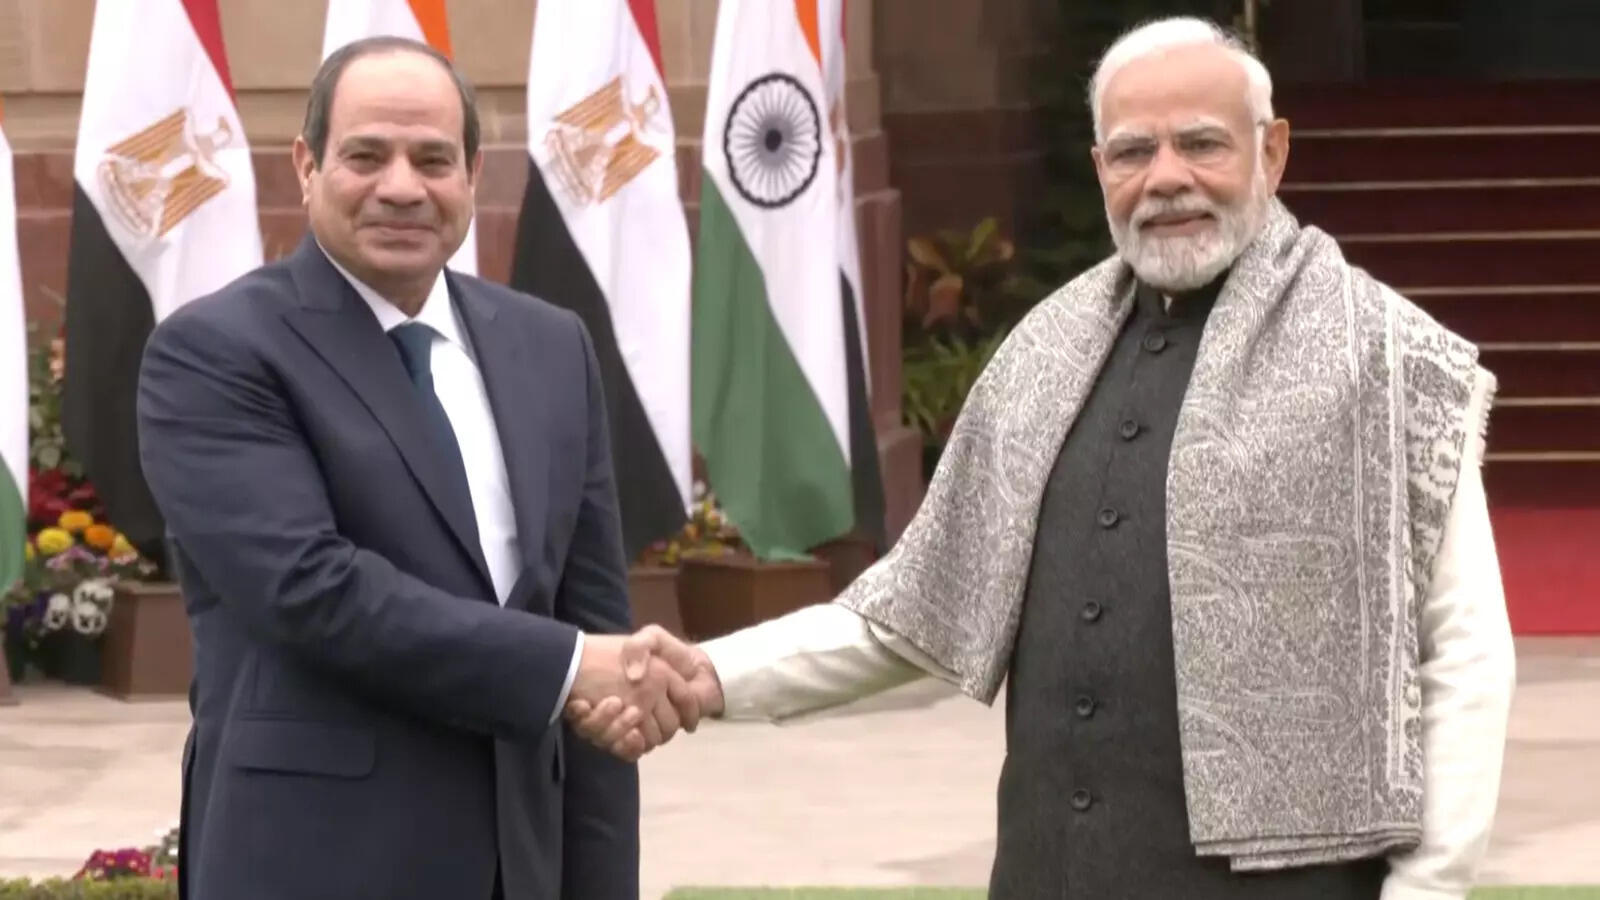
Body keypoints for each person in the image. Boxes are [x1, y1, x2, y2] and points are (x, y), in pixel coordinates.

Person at [568, 16, 1517, 900]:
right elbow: (912, 613)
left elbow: (1465, 652)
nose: (1167, 177)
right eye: (1135, 152)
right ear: (1101, 166)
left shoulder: (1388, 357)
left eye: (1202, 143)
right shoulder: (1045, 354)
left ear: (1270, 151)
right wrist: (708, 675)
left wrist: (1430, 886)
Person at [134, 36, 698, 900]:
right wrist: (565, 664)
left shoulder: (552, 348)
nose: (403, 186)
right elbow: (310, 591)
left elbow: (594, 641)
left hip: (524, 867)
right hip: (313, 866)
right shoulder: (213, 354)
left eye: (433, 158)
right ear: (307, 165)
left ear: (472, 174)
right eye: (367, 155)